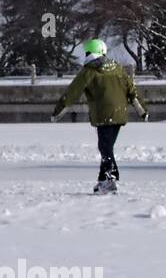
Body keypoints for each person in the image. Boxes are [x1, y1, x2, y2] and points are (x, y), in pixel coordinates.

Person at [51, 39, 149, 192]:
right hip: (119, 113)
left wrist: (58, 112)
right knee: (106, 146)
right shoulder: (117, 68)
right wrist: (142, 111)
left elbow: (72, 92)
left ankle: (110, 177)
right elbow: (132, 91)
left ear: (89, 53)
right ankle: (104, 179)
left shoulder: (90, 70)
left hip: (104, 113)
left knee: (105, 147)